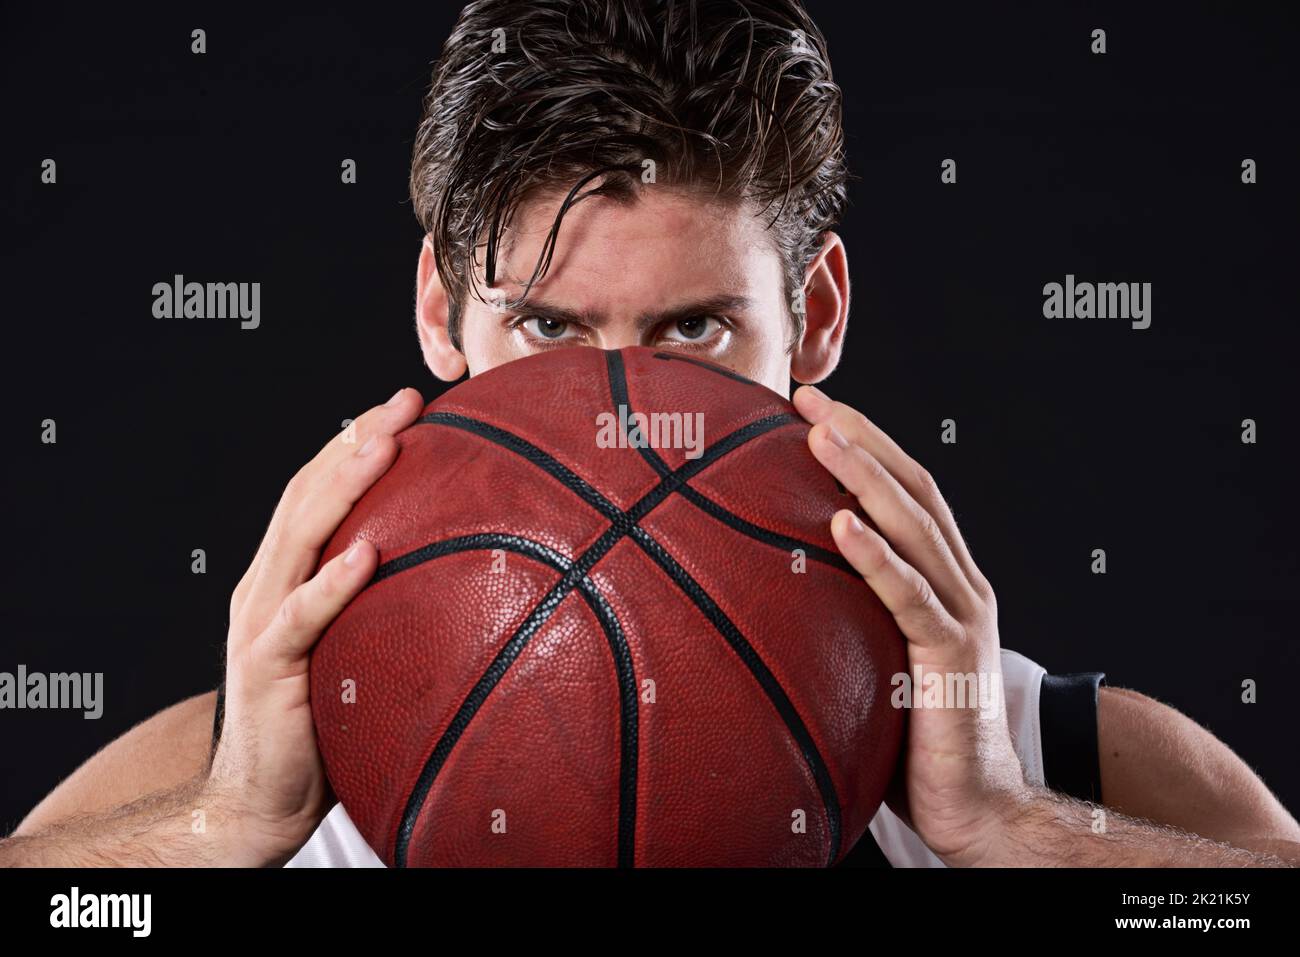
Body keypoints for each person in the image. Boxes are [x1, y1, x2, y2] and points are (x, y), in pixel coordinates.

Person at [5, 0, 1298, 867]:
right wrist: (219, 825)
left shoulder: (1055, 754)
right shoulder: (273, 755)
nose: (623, 421)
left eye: (692, 332)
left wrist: (1023, 832)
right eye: (554, 330)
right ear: (441, 314)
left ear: (819, 316)